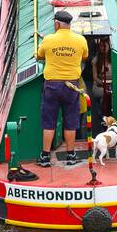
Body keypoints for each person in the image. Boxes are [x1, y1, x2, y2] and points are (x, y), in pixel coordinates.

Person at [35, 9, 89, 167]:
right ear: (70, 25)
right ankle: (71, 155)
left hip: (52, 86)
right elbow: (85, 56)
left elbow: (39, 55)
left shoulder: (49, 40)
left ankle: (45, 157)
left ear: (57, 24)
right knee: (70, 122)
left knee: (49, 122)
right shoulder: (80, 40)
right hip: (72, 86)